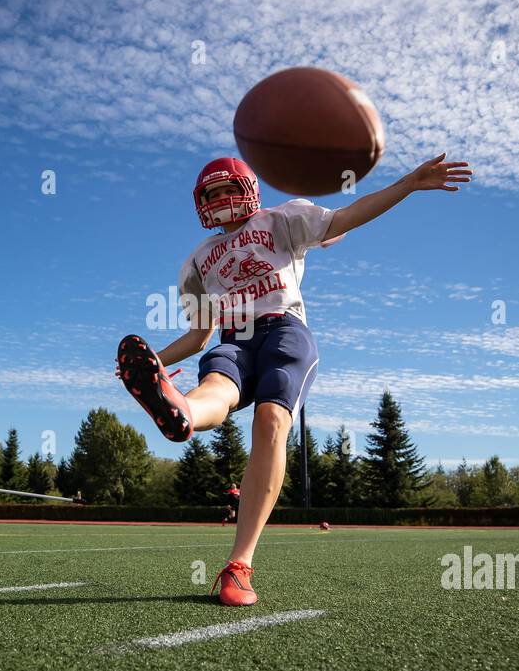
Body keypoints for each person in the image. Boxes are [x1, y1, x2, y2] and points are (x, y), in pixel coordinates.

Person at [116, 152, 472, 605]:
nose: (222, 198)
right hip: (233, 338)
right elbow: (197, 336)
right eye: (213, 193)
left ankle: (239, 563)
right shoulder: (198, 262)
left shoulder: (281, 220)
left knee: (269, 420)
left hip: (284, 328)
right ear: (200, 203)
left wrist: (408, 183)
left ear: (248, 190)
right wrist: (154, 362)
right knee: (215, 390)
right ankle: (179, 408)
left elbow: (348, 215)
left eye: (228, 188)